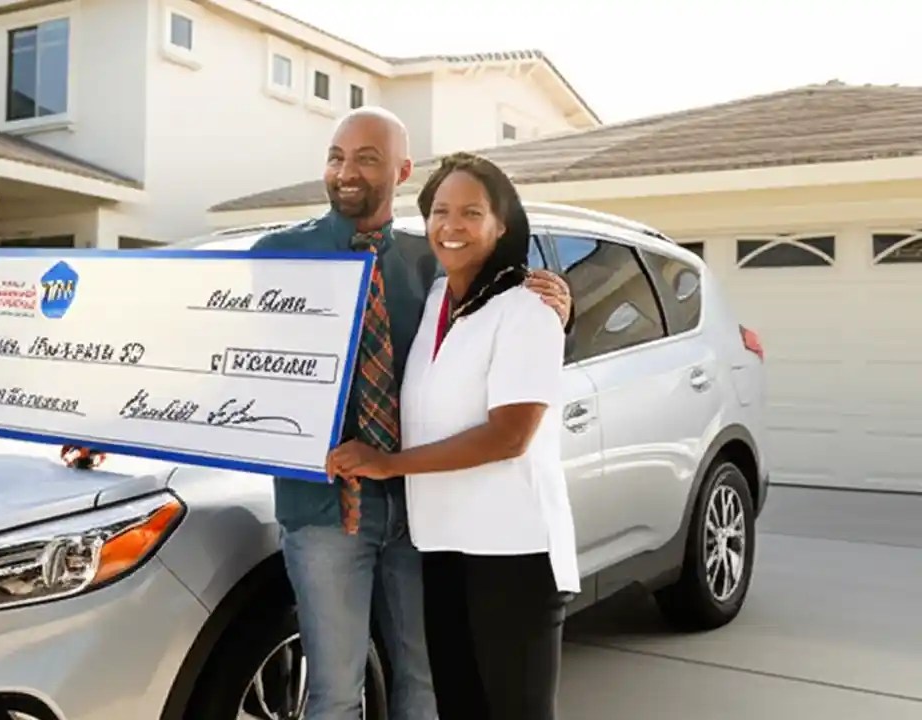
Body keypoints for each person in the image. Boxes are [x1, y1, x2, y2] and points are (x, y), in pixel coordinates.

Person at [64, 109, 574, 720]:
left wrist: (554, 306)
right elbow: (208, 356)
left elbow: (492, 315)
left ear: (403, 171)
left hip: (421, 515)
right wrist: (106, 422)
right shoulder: (280, 254)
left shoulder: (429, 263)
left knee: (426, 680)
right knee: (333, 692)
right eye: (336, 156)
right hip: (322, 510)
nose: (346, 171)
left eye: (366, 158)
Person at [326, 151, 579, 720]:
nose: (451, 226)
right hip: (442, 545)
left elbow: (509, 436)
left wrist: (389, 464)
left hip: (512, 551)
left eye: (471, 212)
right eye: (440, 211)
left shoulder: (529, 306)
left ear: (502, 224)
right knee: (461, 707)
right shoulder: (440, 298)